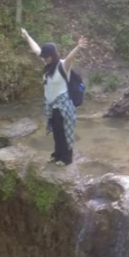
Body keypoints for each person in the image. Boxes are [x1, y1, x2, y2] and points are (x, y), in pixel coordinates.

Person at [20, 28, 87, 166]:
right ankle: (57, 155)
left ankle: (66, 159)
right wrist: (27, 36)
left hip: (63, 105)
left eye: (47, 56)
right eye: (44, 57)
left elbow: (70, 58)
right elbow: (36, 49)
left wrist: (78, 47)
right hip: (52, 105)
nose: (44, 59)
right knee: (56, 132)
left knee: (64, 132)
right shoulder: (48, 64)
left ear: (53, 55)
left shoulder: (63, 66)